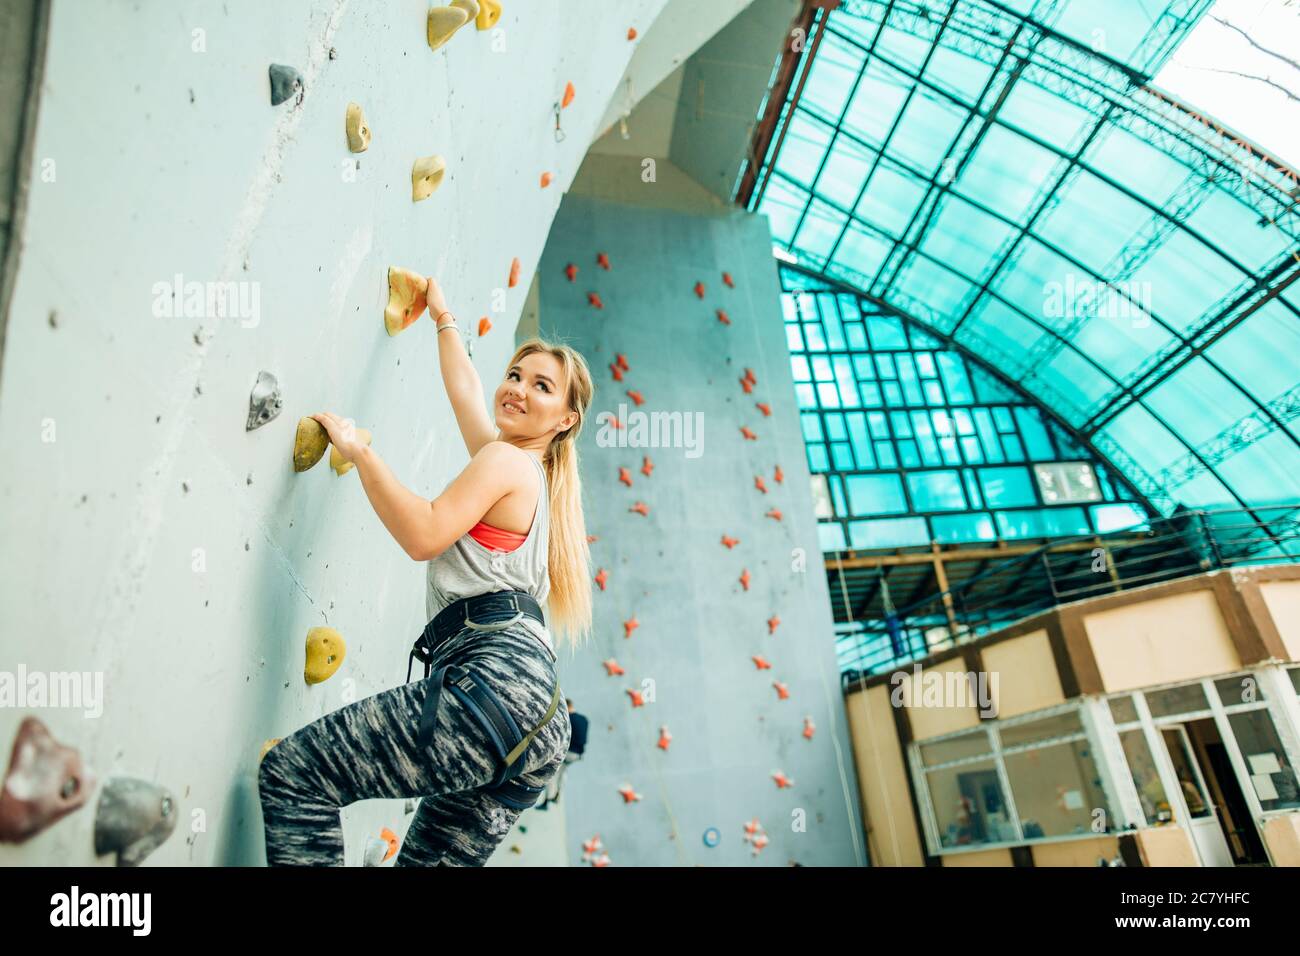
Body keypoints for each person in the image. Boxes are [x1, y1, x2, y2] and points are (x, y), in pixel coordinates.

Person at [258, 277, 594, 866]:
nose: (517, 389)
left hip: (494, 687)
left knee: (296, 774)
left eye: (542, 386)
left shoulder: (506, 462)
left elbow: (424, 533)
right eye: (515, 375)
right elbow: (467, 393)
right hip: (538, 721)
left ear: (566, 419)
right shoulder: (529, 478)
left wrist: (361, 452)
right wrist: (442, 314)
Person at [536, 699, 587, 810]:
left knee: (552, 773)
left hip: (567, 753)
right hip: (577, 754)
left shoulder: (568, 719)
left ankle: (547, 801)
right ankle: (558, 794)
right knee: (563, 771)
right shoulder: (584, 719)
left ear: (567, 706)